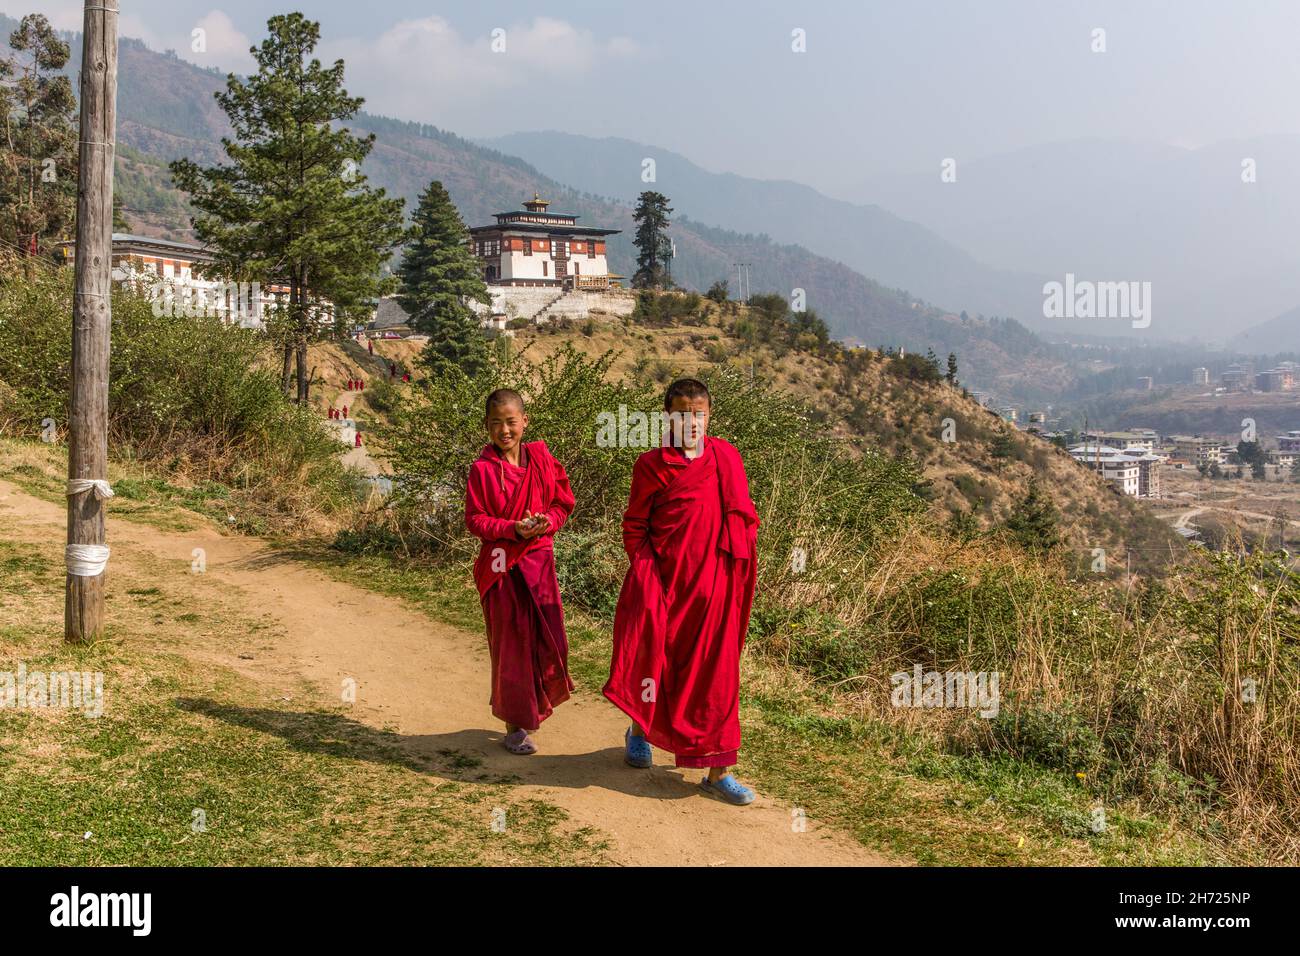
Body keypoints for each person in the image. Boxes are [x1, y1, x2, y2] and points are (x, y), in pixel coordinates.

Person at [603, 378, 760, 805]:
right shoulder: (651, 465)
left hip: (716, 589)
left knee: (717, 676)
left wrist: (735, 571)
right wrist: (645, 572)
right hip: (665, 584)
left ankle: (718, 771)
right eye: (680, 414)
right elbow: (635, 527)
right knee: (657, 661)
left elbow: (744, 519)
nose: (690, 422)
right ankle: (640, 730)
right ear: (666, 417)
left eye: (698, 414)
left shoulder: (726, 457)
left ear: (709, 415)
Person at [465, 389, 576, 755]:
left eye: (511, 421)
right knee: (511, 648)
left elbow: (563, 502)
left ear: (524, 421)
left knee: (548, 640)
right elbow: (476, 520)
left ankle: (534, 707)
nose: (504, 430)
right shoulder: (482, 470)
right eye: (496, 423)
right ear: (486, 426)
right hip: (501, 569)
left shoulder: (543, 460)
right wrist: (512, 529)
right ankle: (514, 725)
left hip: (539, 561)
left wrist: (547, 523)